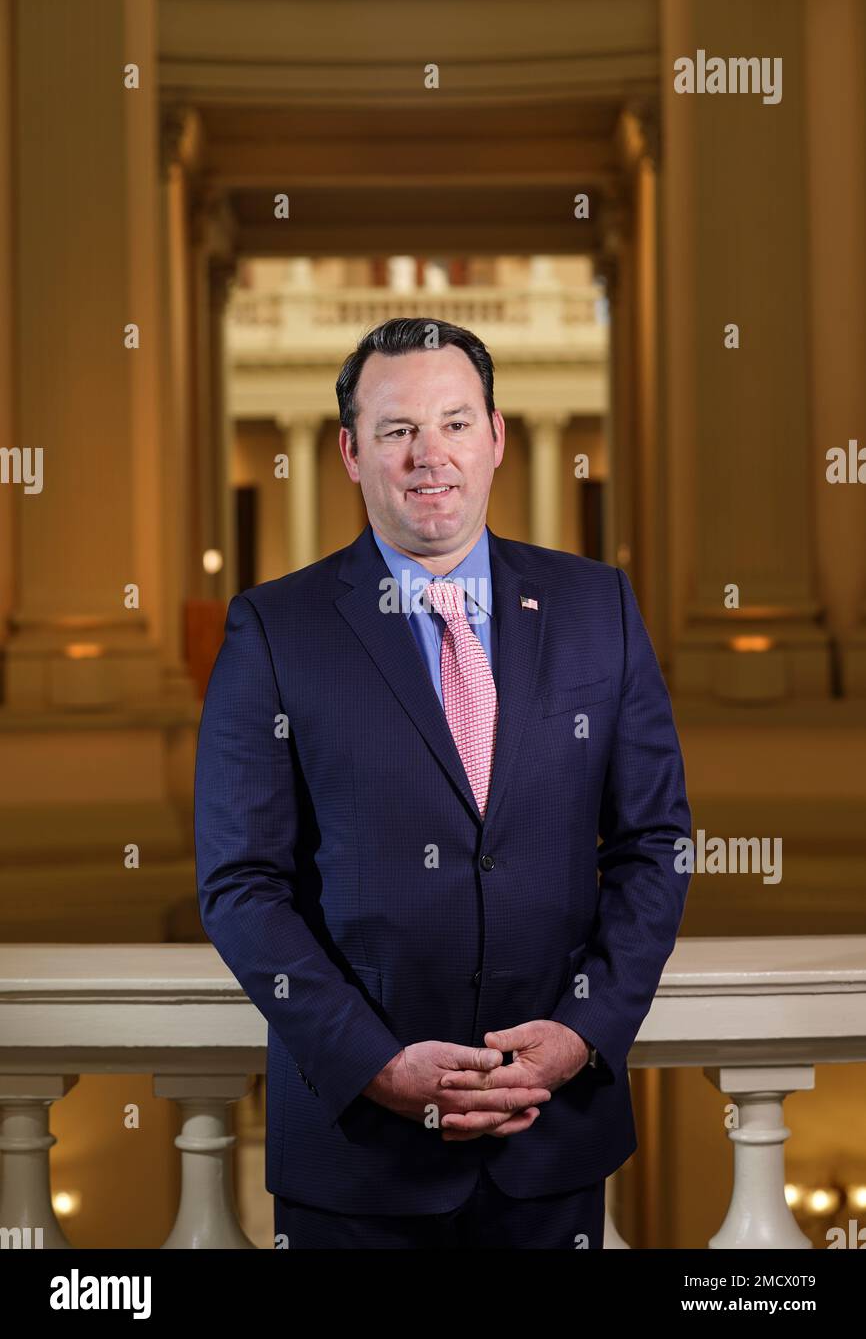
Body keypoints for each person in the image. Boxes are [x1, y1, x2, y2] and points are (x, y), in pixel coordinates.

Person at [194, 316, 692, 1249]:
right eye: (397, 431)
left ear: (497, 437)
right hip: (359, 1161)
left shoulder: (600, 609)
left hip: (553, 1152)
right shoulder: (274, 629)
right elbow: (240, 884)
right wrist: (375, 1064)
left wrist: (582, 1035)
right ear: (349, 452)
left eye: (456, 423)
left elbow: (655, 844)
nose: (432, 456)